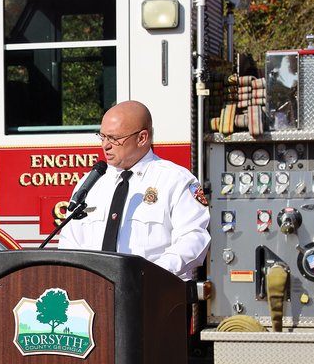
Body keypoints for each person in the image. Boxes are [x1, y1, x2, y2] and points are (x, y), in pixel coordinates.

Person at [58, 100, 210, 281]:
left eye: (114, 138)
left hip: (154, 290)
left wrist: (147, 276)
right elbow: (70, 243)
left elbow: (193, 239)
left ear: (142, 138)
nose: (105, 145)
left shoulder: (176, 180)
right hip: (95, 291)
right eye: (102, 136)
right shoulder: (91, 183)